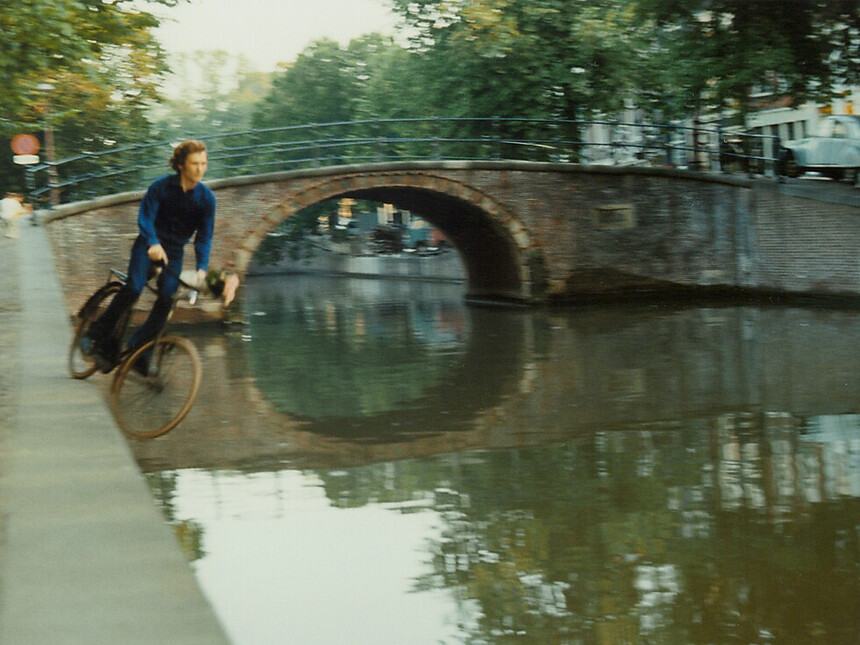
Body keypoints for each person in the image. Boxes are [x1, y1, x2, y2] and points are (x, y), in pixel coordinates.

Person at [81, 139, 222, 372]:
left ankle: (138, 350)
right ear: (180, 165)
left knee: (167, 299)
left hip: (174, 253)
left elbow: (204, 238)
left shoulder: (207, 200)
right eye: (194, 163)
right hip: (148, 244)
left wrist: (201, 268)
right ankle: (95, 334)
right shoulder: (160, 188)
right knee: (133, 288)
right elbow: (145, 219)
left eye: (203, 163)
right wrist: (153, 242)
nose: (200, 169)